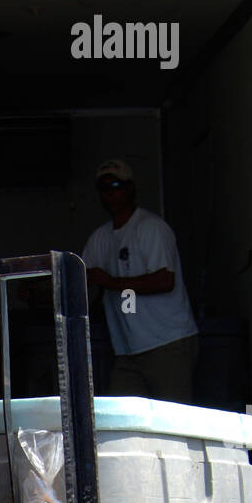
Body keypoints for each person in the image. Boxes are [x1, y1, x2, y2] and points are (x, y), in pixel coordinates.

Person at [82, 159, 199, 403]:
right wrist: (41, 290)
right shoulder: (100, 238)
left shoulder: (151, 228)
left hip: (167, 344)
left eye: (115, 185)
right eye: (103, 188)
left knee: (172, 426)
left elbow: (165, 281)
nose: (110, 193)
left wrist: (110, 282)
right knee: (122, 426)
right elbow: (80, 279)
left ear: (130, 189)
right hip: (126, 352)